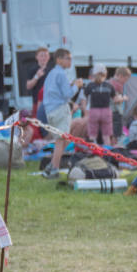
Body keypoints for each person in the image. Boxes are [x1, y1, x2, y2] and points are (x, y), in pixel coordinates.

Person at [42, 48, 83, 178]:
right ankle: (54, 169)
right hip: (60, 109)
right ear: (59, 60)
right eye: (68, 58)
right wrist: (77, 85)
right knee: (61, 141)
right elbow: (67, 95)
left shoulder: (51, 73)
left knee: (63, 139)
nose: (70, 61)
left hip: (50, 110)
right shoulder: (61, 74)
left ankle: (51, 166)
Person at [82, 64, 121, 146]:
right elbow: (115, 99)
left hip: (94, 111)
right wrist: (123, 98)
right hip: (106, 111)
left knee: (92, 136)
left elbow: (83, 96)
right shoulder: (109, 86)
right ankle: (107, 155)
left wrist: (84, 108)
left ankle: (92, 155)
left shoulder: (90, 85)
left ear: (93, 74)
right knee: (106, 137)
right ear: (105, 74)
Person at [109, 66, 132, 138]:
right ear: (120, 76)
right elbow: (116, 100)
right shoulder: (118, 85)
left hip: (108, 111)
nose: (125, 82)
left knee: (109, 133)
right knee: (115, 134)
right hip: (116, 112)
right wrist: (124, 98)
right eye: (125, 80)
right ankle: (114, 148)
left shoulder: (109, 82)